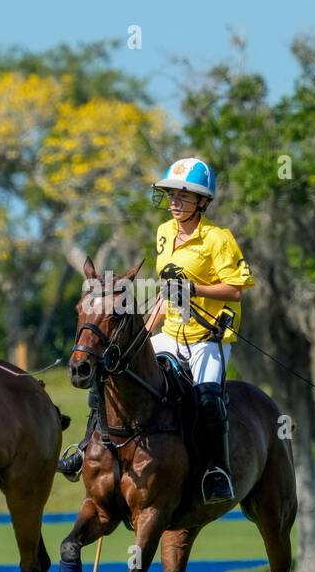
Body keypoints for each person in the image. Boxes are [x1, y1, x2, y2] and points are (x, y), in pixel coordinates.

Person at [58, 157, 254, 504]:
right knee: (114, 370)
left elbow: (235, 289)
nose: (175, 202)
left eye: (184, 196)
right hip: (172, 331)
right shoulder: (164, 233)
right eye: (171, 195)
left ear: (202, 202)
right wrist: (147, 330)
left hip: (208, 337)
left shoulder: (218, 239)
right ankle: (86, 446)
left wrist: (195, 289)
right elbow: (167, 291)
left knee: (208, 398)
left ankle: (216, 470)